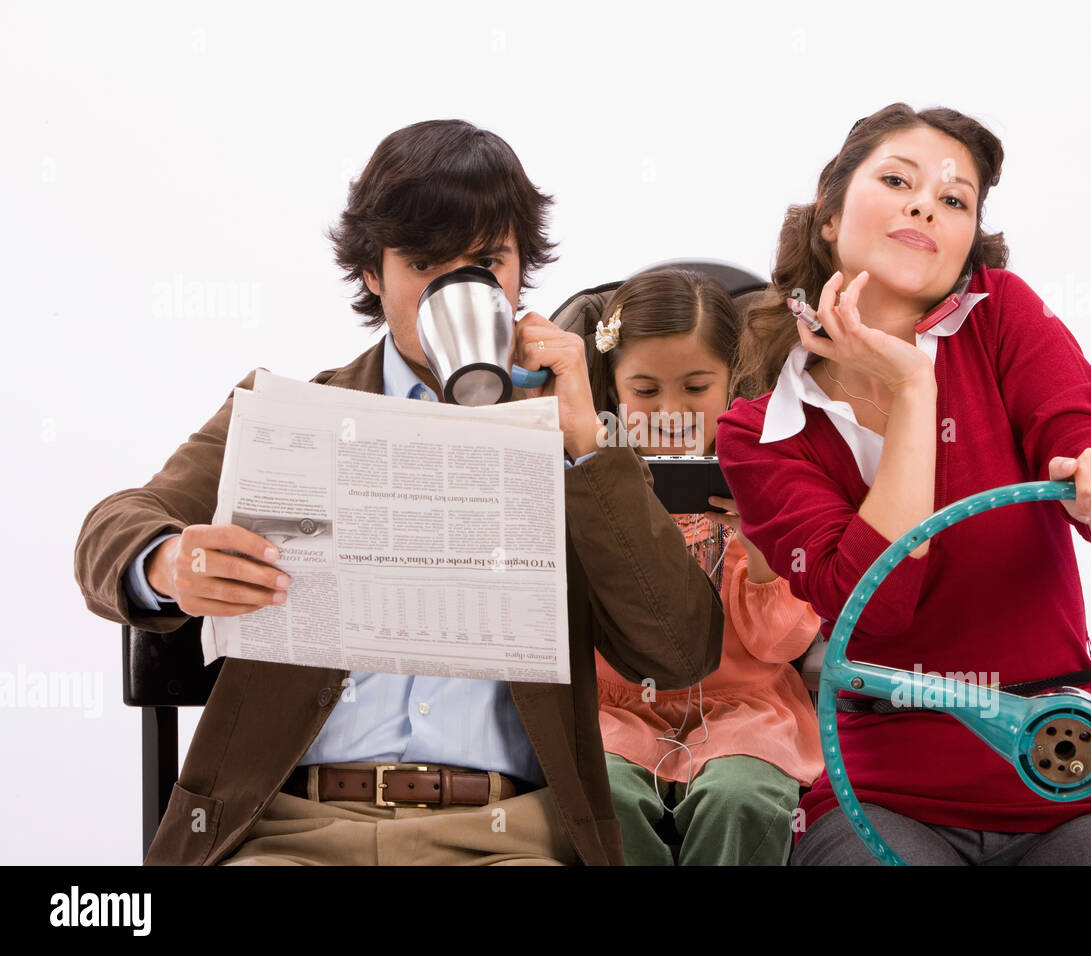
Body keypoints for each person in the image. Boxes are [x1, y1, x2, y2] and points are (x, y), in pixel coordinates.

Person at [73, 119, 723, 866]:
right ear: (372, 275)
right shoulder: (288, 412)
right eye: (422, 263)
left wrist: (585, 445)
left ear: (518, 272)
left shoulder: (568, 435)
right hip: (289, 833)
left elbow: (677, 651)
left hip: (504, 838)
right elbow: (111, 526)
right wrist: (164, 563)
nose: (456, 288)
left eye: (484, 263)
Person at [715, 103, 1091, 865]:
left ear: (965, 247)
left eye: (954, 199)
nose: (926, 202)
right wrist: (915, 392)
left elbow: (1090, 462)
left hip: (1068, 785)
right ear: (828, 216)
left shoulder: (1004, 316)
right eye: (898, 179)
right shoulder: (759, 434)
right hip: (881, 800)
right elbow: (879, 607)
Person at [579, 269, 823, 865]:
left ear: (732, 384)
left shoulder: (768, 477)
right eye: (644, 390)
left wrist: (760, 536)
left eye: (695, 387)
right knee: (600, 794)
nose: (670, 411)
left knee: (742, 799)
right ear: (612, 392)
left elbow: (780, 640)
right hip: (616, 706)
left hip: (744, 706)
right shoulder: (586, 485)